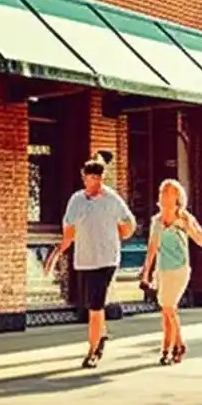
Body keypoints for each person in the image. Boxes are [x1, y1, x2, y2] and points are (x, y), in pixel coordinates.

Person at [45, 152, 137, 369]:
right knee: (92, 304)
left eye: (99, 178)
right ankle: (102, 335)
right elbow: (69, 232)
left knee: (95, 305)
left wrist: (121, 234)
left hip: (107, 259)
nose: (95, 182)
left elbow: (129, 224)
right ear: (84, 177)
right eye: (91, 178)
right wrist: (57, 253)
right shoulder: (76, 200)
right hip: (85, 259)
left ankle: (93, 351)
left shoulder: (112, 199)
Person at [141, 179, 202, 365]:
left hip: (179, 269)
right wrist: (146, 272)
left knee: (168, 306)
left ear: (177, 197)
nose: (164, 195)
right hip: (163, 270)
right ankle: (172, 347)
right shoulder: (157, 221)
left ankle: (173, 347)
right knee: (166, 311)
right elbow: (152, 248)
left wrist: (187, 227)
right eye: (162, 191)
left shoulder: (184, 217)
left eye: (168, 192)